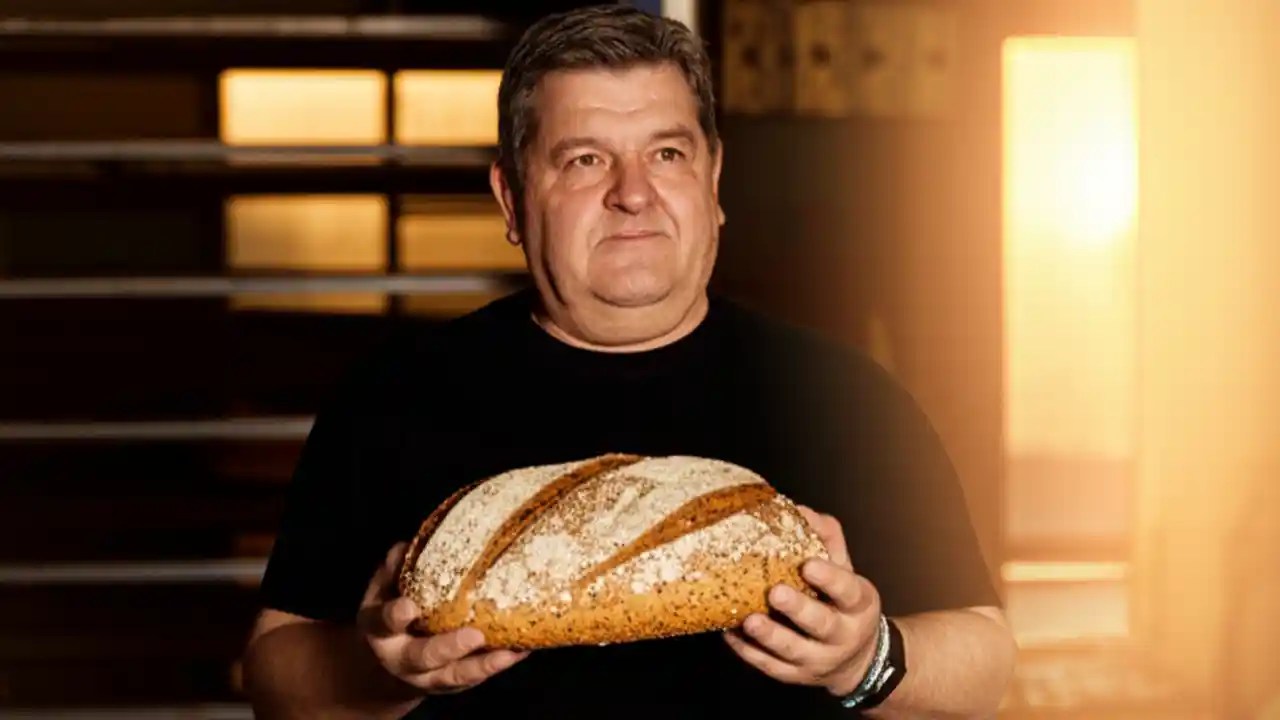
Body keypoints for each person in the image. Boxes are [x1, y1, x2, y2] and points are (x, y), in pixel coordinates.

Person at [240, 5, 1017, 719]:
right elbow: (273, 674)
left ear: (713, 182)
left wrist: (865, 657)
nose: (633, 193)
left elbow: (987, 661)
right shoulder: (395, 393)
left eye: (668, 152)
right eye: (583, 160)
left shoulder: (844, 396)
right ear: (512, 199)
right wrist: (380, 673)